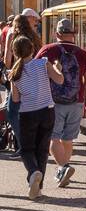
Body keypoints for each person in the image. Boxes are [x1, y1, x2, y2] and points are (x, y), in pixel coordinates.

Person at [36, 17, 86, 189]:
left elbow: (36, 74)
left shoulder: (47, 50)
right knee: (68, 139)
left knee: (53, 137)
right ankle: (63, 172)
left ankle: (63, 167)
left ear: (57, 34)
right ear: (74, 34)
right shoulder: (83, 54)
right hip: (76, 101)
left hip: (52, 102)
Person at [9, 36, 63, 198]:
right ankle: (38, 188)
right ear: (32, 49)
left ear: (14, 52)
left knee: (27, 149)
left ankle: (33, 173)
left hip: (27, 114)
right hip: (47, 111)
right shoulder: (43, 63)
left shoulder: (14, 73)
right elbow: (59, 80)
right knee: (42, 150)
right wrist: (57, 67)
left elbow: (15, 99)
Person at [2, 12, 41, 146]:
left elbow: (7, 59)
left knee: (12, 111)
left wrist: (8, 69)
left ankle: (23, 143)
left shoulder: (12, 35)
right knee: (30, 109)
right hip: (34, 74)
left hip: (17, 74)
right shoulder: (35, 36)